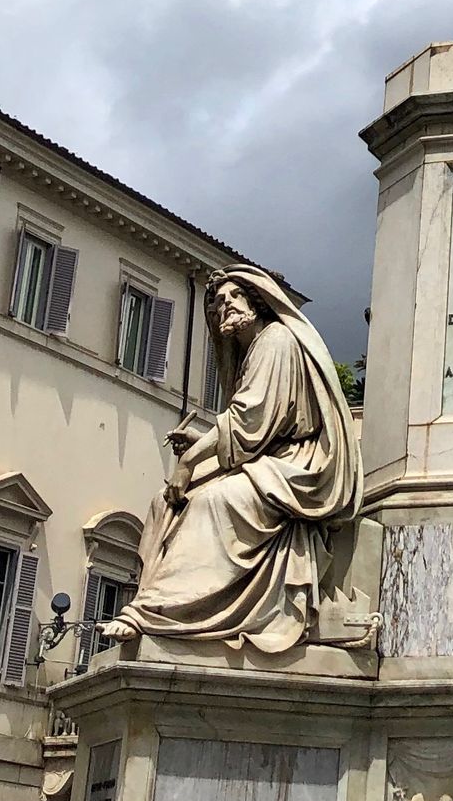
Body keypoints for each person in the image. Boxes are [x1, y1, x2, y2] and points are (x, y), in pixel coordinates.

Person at [107, 267, 362, 657]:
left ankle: (162, 612)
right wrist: (200, 444)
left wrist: (191, 460)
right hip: (270, 457)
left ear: (256, 301)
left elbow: (249, 422)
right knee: (165, 502)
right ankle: (156, 604)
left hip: (297, 466)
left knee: (213, 502)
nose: (224, 306)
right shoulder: (255, 350)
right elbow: (252, 426)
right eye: (218, 302)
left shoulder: (276, 341)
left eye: (233, 298)